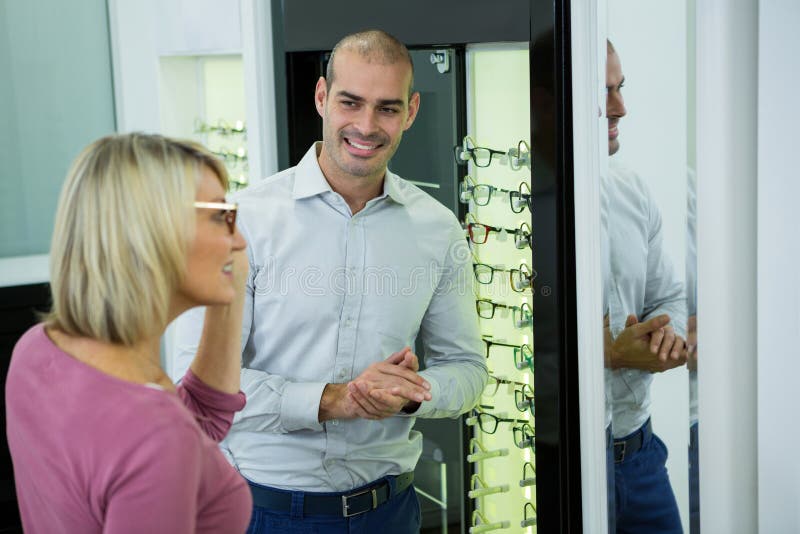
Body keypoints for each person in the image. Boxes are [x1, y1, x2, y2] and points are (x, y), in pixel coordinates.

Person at [173, 29, 487, 533]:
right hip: (263, 513)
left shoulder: (437, 228)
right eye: (350, 102)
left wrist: (411, 391)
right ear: (322, 97)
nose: (366, 125)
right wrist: (333, 399)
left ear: (410, 112)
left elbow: (469, 370)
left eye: (387, 108)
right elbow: (196, 383)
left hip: (391, 514)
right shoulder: (244, 221)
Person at [5, 133, 253, 533]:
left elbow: (197, 427)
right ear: (154, 229)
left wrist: (231, 285)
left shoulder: (36, 350)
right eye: (219, 215)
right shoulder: (155, 435)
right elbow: (165, 443)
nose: (239, 239)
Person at [601, 41, 688, 533]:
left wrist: (662, 336)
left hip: (641, 458)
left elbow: (669, 296)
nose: (620, 108)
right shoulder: (526, 208)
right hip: (572, 461)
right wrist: (608, 353)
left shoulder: (631, 188)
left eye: (620, 88)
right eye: (604, 92)